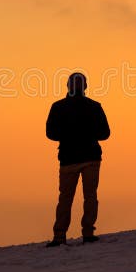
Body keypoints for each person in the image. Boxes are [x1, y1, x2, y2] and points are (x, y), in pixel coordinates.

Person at [45, 72, 111, 247]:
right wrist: (87, 134)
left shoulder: (58, 107)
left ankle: (59, 237)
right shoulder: (94, 106)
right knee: (89, 196)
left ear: (67, 86)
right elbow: (105, 133)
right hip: (89, 157)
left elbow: (50, 133)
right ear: (86, 86)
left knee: (65, 198)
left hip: (69, 158)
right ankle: (88, 234)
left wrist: (68, 135)